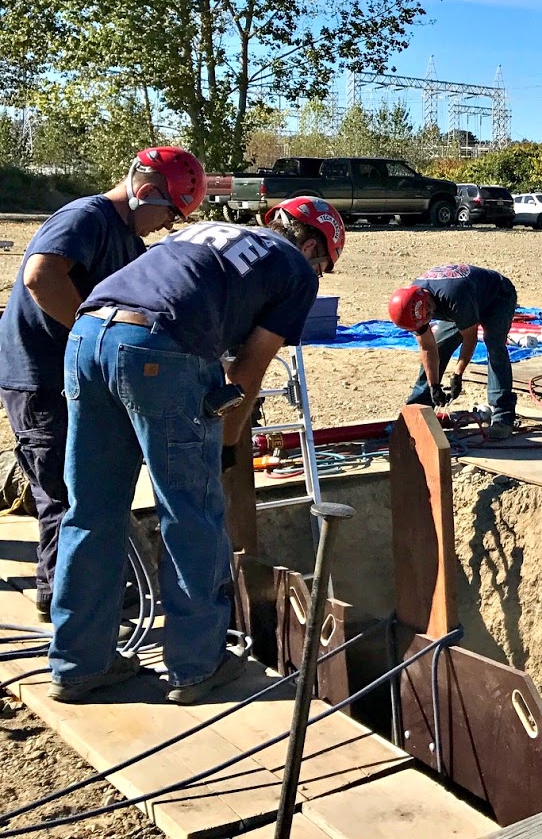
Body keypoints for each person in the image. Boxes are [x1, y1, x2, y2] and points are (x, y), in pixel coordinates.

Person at [49, 195, 342, 704]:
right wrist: (227, 445)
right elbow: (248, 368)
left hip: (88, 335)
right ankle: (197, 665)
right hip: (162, 352)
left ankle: (78, 664)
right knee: (193, 511)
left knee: (90, 509)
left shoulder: (203, 232)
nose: (318, 270)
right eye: (323, 261)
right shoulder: (295, 268)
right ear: (312, 243)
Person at [0, 147, 204, 623]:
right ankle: (63, 606)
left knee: (88, 486)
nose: (167, 224)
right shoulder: (85, 217)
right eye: (169, 212)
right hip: (40, 376)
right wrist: (92, 337)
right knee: (62, 492)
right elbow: (40, 275)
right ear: (146, 192)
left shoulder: (129, 241)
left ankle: (83, 597)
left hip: (76, 378)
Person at [389, 264, 519, 440]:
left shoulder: (453, 297)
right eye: (425, 317)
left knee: (494, 344)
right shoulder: (411, 304)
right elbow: (428, 347)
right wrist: (434, 385)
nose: (428, 317)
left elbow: (470, 338)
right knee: (441, 345)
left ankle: (503, 416)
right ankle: (419, 408)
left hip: (497, 296)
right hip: (464, 301)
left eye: (428, 313)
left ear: (426, 299)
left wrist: (458, 374)